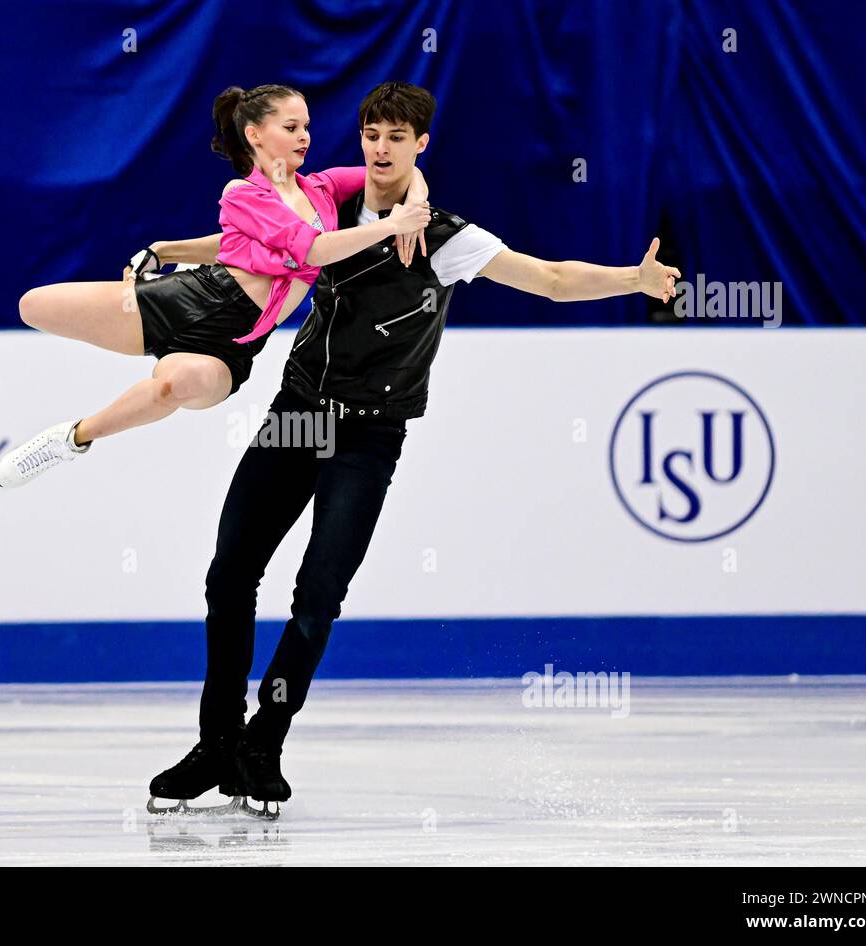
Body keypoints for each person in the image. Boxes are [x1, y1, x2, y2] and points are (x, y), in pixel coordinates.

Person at [145, 82, 680, 813]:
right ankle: (216, 741)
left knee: (318, 595)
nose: (381, 147)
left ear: (421, 144)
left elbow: (550, 281)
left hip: (370, 431)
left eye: (397, 136)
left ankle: (263, 742)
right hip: (299, 412)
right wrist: (168, 248)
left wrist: (634, 280)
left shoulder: (447, 237)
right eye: (371, 133)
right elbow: (255, 242)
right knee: (229, 572)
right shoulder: (324, 204)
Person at [0, 83, 430, 489]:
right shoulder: (242, 193)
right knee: (33, 305)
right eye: (292, 127)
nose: (305, 137)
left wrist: (166, 249)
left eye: (307, 127)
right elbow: (312, 250)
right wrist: (394, 224)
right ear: (256, 135)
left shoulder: (323, 188)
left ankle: (69, 439)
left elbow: (395, 173)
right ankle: (137, 306)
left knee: (174, 386)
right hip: (188, 300)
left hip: (231, 345)